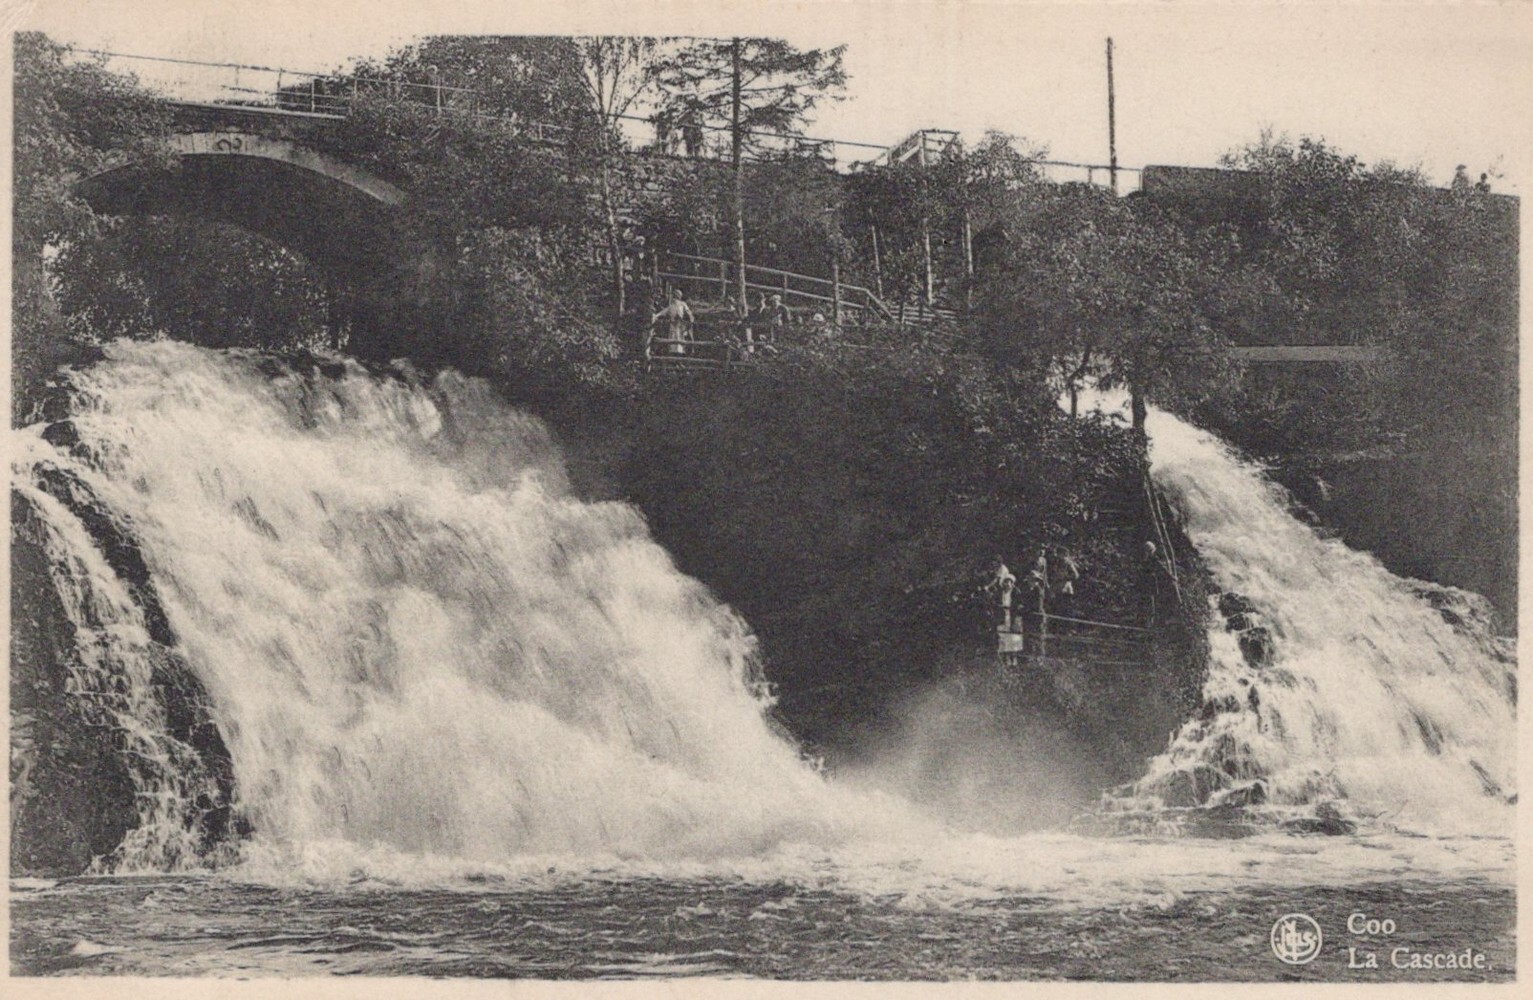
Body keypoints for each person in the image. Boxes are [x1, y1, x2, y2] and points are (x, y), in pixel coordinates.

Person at [651, 287, 694, 356]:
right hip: (672, 325)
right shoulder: (671, 305)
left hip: (680, 325)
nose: (674, 297)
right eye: (674, 295)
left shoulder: (682, 304)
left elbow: (688, 312)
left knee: (679, 338)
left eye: (675, 296)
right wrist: (656, 316)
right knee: (672, 339)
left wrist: (691, 318)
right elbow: (664, 311)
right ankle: (673, 354)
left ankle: (680, 354)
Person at [984, 556, 1018, 632]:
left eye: (994, 562)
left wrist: (988, 586)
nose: (993, 564)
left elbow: (997, 580)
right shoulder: (996, 568)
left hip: (1003, 587)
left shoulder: (1003, 569)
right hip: (1000, 588)